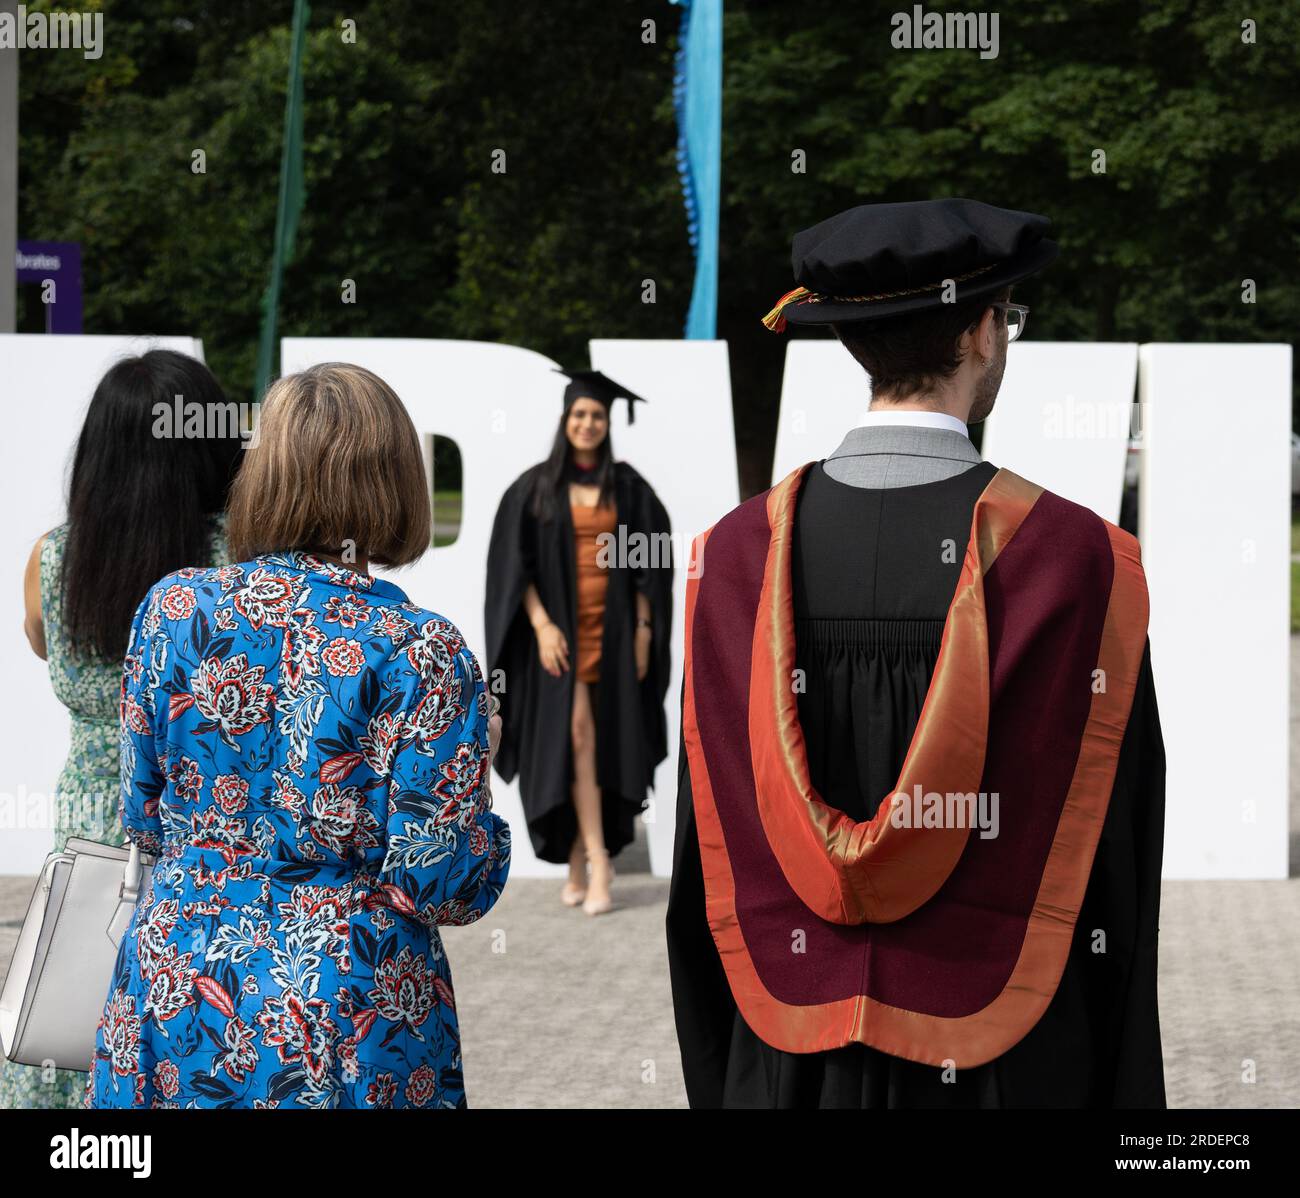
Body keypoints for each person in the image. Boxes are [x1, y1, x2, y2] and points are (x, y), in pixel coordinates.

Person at [666, 198, 1167, 1108]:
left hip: (788, 1049)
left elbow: (707, 866)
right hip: (1012, 1049)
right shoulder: (1078, 565)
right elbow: (1116, 870)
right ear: (982, 332)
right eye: (1007, 317)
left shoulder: (732, 562)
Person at [85, 363, 511, 1109]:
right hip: (345, 1003)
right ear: (394, 479)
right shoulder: (419, 650)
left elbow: (144, 816)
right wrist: (477, 776)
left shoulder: (172, 610)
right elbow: (442, 883)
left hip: (178, 983)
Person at [1, 350, 238, 1110]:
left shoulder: (57, 557)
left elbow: (42, 643)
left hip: (90, 836)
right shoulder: (237, 562)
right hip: (207, 827)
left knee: (74, 1025)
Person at [485, 369, 672, 915]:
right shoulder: (536, 487)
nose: (587, 423)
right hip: (559, 640)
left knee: (588, 741)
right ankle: (596, 859)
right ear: (565, 421)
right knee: (573, 737)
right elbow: (511, 570)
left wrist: (643, 631)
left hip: (612, 638)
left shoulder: (629, 489)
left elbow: (648, 567)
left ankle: (583, 862)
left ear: (606, 423)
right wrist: (541, 626)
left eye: (596, 415)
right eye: (579, 415)